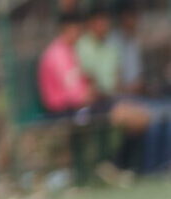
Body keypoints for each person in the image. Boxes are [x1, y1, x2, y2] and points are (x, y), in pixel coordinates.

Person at [38, 10, 168, 174]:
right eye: (77, 28)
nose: (79, 33)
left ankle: (125, 164)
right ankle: (128, 165)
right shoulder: (57, 55)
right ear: (67, 28)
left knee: (148, 116)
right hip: (66, 110)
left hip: (83, 105)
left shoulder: (71, 51)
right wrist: (94, 92)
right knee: (139, 117)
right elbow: (76, 96)